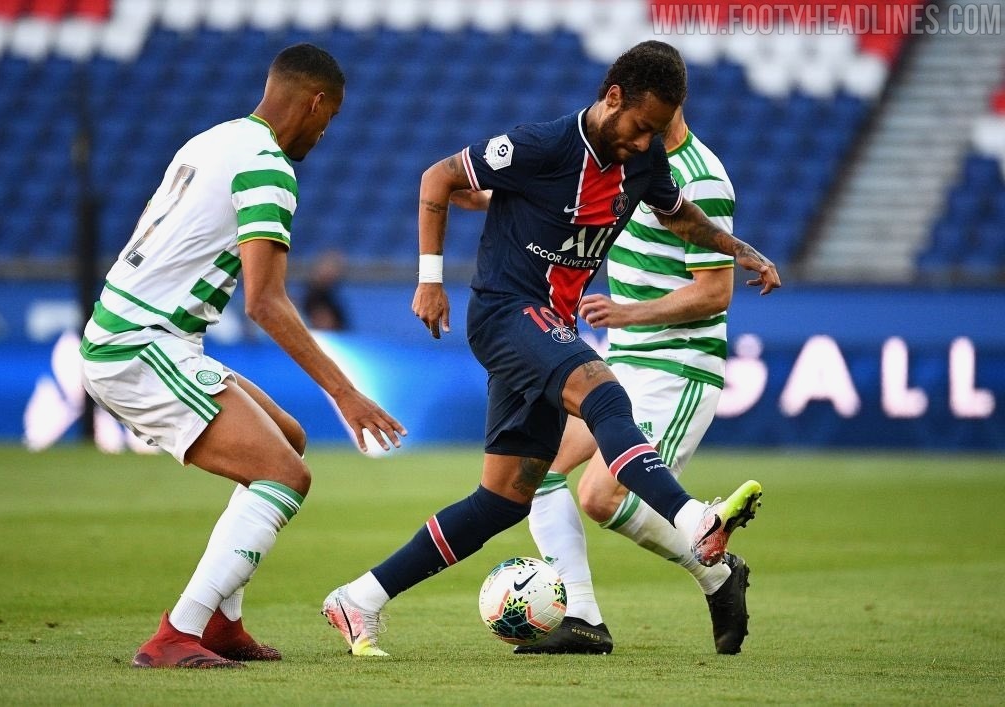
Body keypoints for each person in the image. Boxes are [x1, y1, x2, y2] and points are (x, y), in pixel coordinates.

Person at [321, 41, 779, 657]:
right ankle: (696, 520)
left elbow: (681, 219)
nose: (644, 143)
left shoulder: (641, 161)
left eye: (656, 133)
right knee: (603, 393)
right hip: (507, 312)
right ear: (611, 97)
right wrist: (429, 278)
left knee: (504, 497)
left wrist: (739, 249)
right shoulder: (541, 145)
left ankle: (358, 599)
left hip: (547, 326)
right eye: (641, 127)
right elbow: (439, 177)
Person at [79, 44, 406, 669]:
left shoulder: (216, 139)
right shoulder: (269, 167)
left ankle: (224, 625)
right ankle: (176, 632)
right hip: (140, 343)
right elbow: (266, 303)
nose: (324, 132)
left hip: (141, 332)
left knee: (288, 437)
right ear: (314, 103)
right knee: (286, 477)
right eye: (328, 118)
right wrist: (346, 392)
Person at [516, 106, 748, 656]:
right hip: (623, 365)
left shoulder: (702, 177)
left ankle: (718, 573)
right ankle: (582, 618)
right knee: (534, 469)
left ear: (669, 105)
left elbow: (715, 292)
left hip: (678, 366)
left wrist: (628, 313)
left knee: (600, 495)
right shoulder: (624, 162)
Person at [302, 250, 348, 331]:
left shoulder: (332, 297)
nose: (331, 272)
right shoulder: (311, 297)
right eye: (328, 267)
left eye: (336, 267)